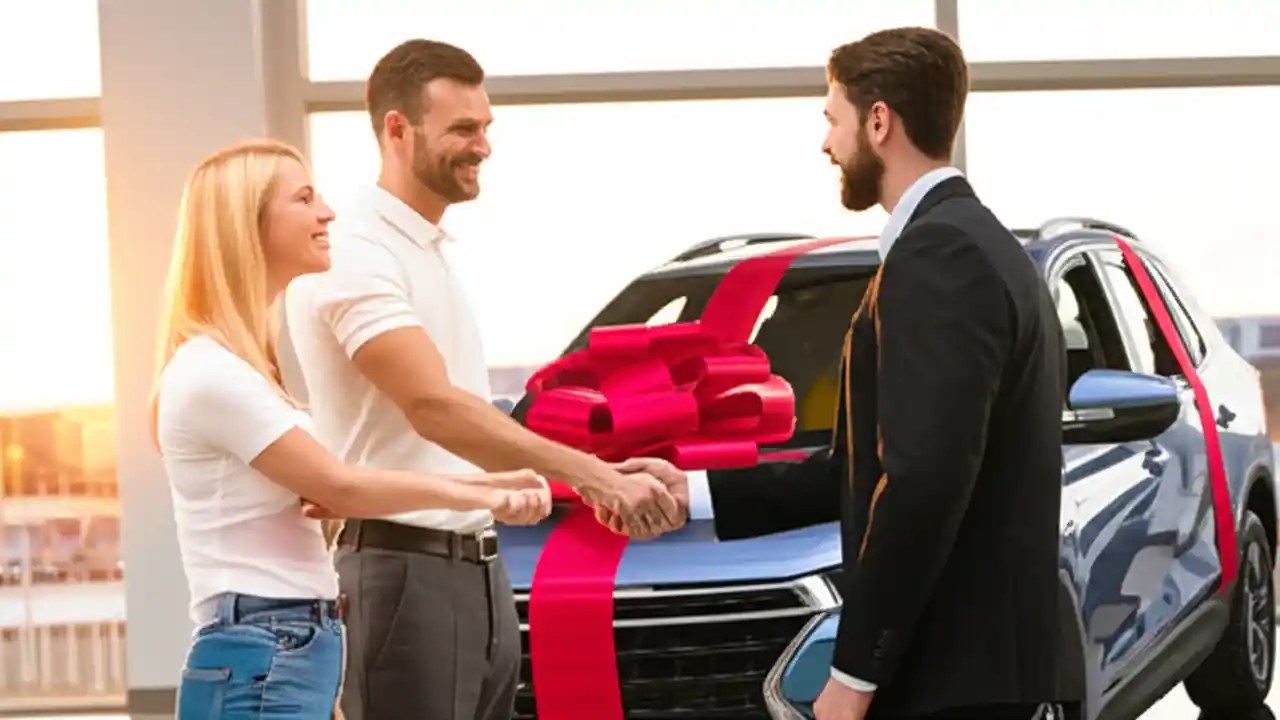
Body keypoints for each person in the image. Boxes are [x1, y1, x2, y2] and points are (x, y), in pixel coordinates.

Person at [608, 27, 1077, 720]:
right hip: (981, 675)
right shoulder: (980, 244)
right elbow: (869, 467)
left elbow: (922, 483)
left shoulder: (939, 256)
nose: (826, 143)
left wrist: (853, 676)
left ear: (879, 121)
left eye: (833, 119)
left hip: (953, 683)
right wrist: (693, 493)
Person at [282, 40, 685, 720]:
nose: (483, 146)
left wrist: (574, 480)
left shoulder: (426, 253)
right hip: (402, 573)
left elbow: (465, 429)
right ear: (397, 130)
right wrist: (596, 475)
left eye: (486, 126)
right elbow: (434, 408)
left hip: (477, 572)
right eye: (463, 129)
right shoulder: (356, 253)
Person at [152, 139, 552, 720]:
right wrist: (482, 490)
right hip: (264, 650)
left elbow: (325, 493)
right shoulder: (211, 372)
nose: (328, 213)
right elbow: (340, 486)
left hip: (291, 644)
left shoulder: (244, 371)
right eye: (304, 198)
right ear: (249, 225)